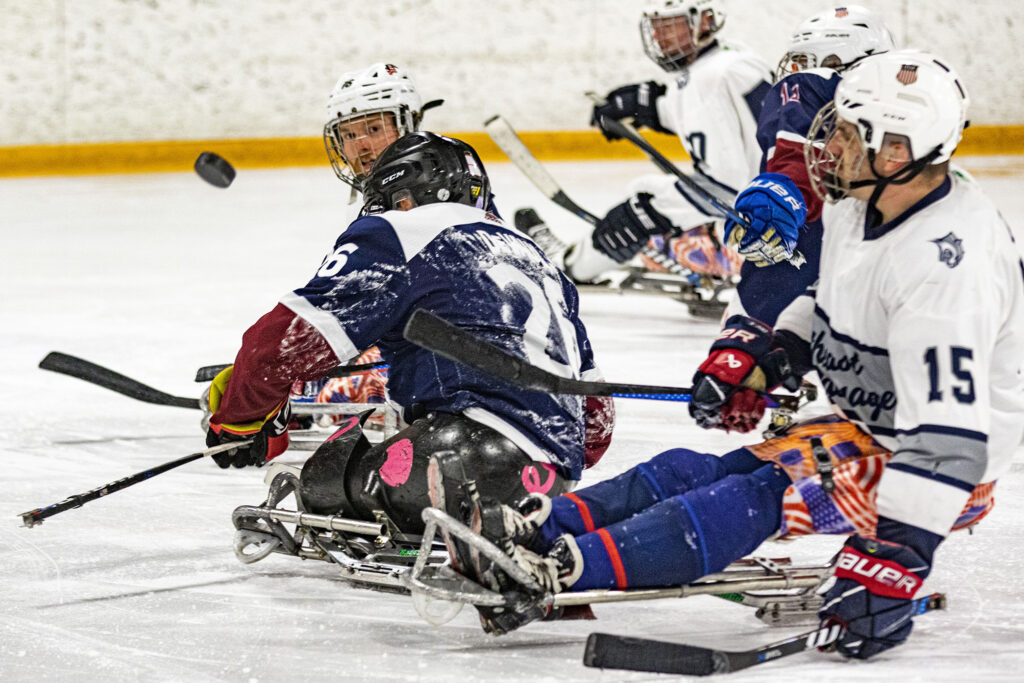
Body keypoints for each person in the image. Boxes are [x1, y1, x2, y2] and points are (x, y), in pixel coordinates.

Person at [440, 50, 1024, 663]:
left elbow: (950, 443)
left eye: (849, 132)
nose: (829, 146)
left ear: (897, 151)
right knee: (689, 471)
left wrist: (894, 562)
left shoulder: (945, 266)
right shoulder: (863, 201)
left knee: (757, 497)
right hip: (878, 428)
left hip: (942, 468)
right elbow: (827, 294)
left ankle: (561, 568)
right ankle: (542, 526)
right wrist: (773, 359)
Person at [204, 132, 614, 533]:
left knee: (324, 476)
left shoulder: (402, 231)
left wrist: (242, 419)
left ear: (403, 197)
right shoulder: (537, 258)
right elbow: (596, 426)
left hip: (458, 465)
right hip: (550, 490)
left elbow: (281, 345)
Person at [518, 0, 770, 285]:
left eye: (672, 27)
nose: (661, 39)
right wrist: (648, 106)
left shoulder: (705, 82)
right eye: (657, 29)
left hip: (764, 232)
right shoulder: (736, 57)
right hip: (792, 208)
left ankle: (567, 266)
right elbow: (727, 123)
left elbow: (726, 187)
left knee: (642, 208)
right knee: (659, 204)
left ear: (705, 21)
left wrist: (647, 212)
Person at [718, 5, 895, 326]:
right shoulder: (908, 105)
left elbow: (799, 158)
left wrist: (781, 194)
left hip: (803, 256)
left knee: (743, 350)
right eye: (799, 63)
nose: (797, 74)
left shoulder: (806, 87)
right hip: (884, 261)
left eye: (812, 63)